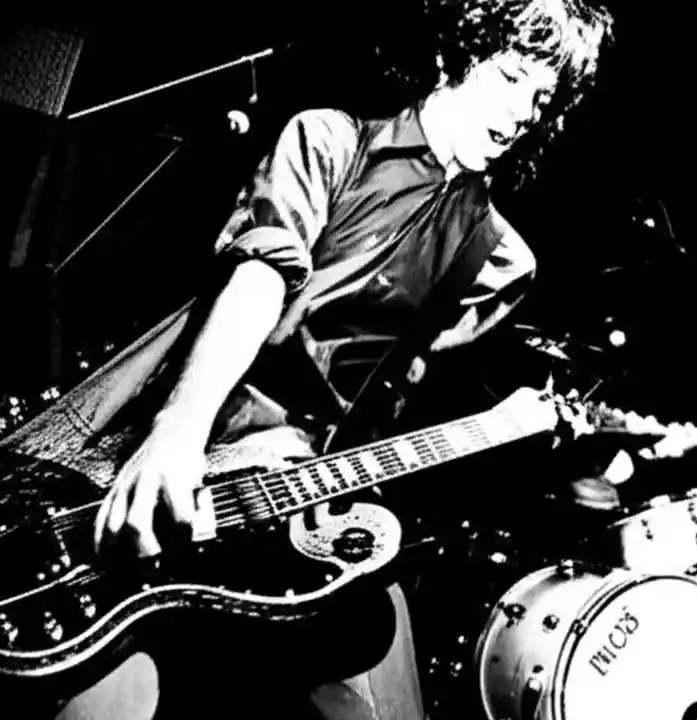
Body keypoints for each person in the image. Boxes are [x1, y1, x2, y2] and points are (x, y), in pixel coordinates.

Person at [0, 1, 615, 719]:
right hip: (199, 443)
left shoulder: (501, 261)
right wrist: (180, 430)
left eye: (541, 100)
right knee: (107, 689)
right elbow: (259, 279)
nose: (521, 116)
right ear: (455, 59)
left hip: (302, 494)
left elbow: (395, 399)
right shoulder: (329, 140)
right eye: (511, 79)